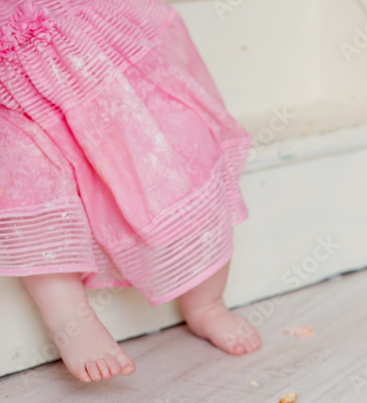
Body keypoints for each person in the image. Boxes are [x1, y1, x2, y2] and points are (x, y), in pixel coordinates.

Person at [0, 0, 261, 383]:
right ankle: (71, 319)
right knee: (28, 182)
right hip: (13, 90)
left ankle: (207, 303)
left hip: (94, 45)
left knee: (183, 144)